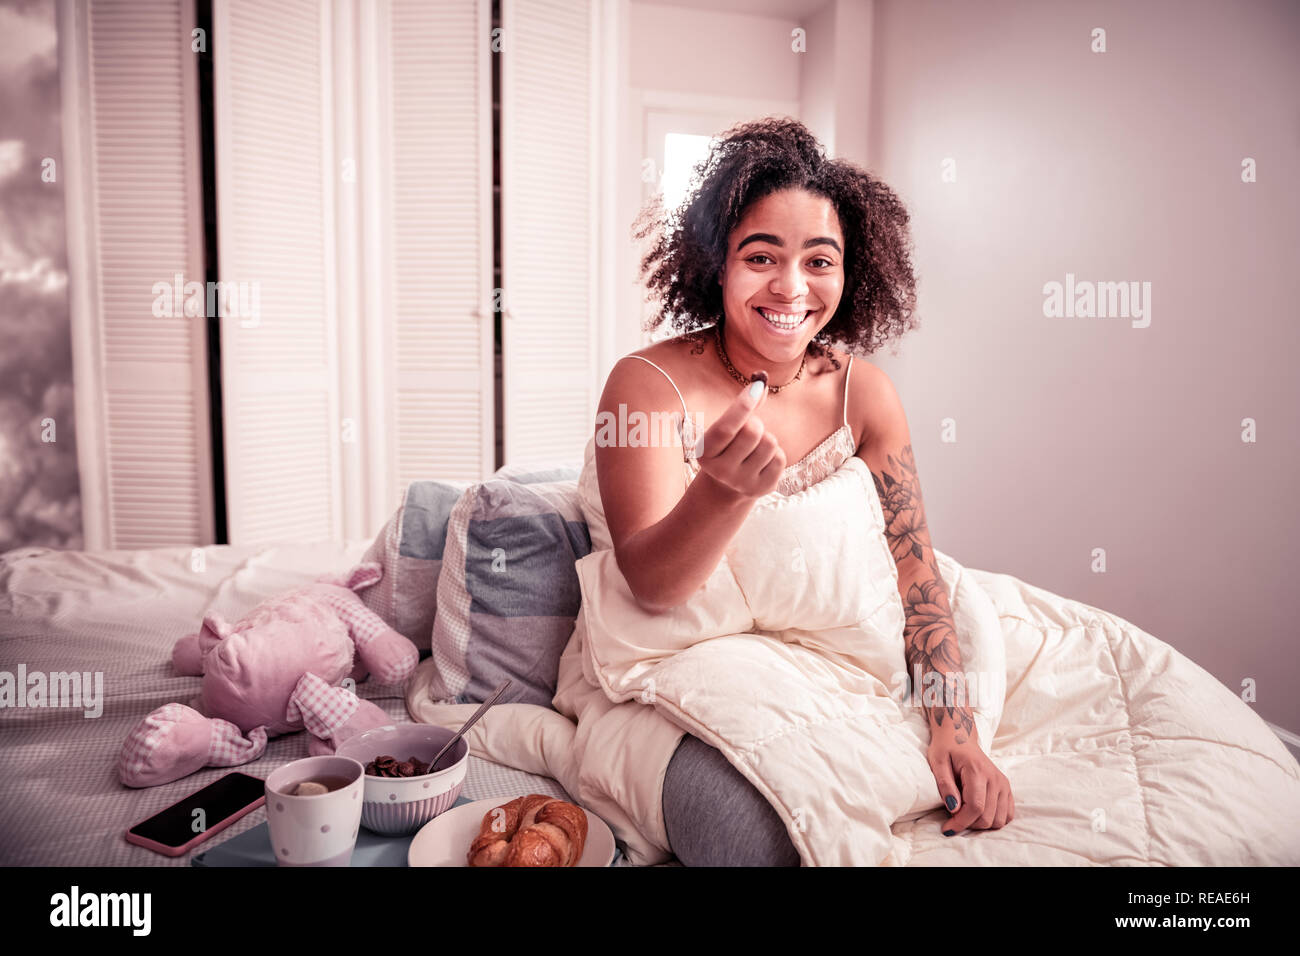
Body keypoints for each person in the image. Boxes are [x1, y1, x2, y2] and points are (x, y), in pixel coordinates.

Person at [592, 117, 1014, 865]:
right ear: (715, 264)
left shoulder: (865, 393)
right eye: (762, 257)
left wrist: (953, 724)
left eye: (820, 260)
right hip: (683, 669)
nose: (791, 287)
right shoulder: (646, 384)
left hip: (841, 659)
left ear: (852, 272)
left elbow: (917, 573)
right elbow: (651, 587)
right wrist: (721, 493)